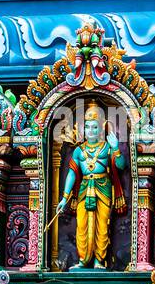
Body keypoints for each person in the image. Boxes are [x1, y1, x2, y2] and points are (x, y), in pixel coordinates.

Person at [54, 101, 126, 269]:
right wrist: (64, 198)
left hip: (103, 187)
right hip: (84, 189)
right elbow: (72, 173)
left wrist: (116, 148)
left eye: (95, 127)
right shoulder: (79, 151)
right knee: (82, 225)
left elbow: (120, 166)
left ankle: (99, 261)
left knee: (102, 224)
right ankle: (83, 260)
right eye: (88, 127)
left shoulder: (107, 147)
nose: (91, 131)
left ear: (101, 128)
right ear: (83, 129)